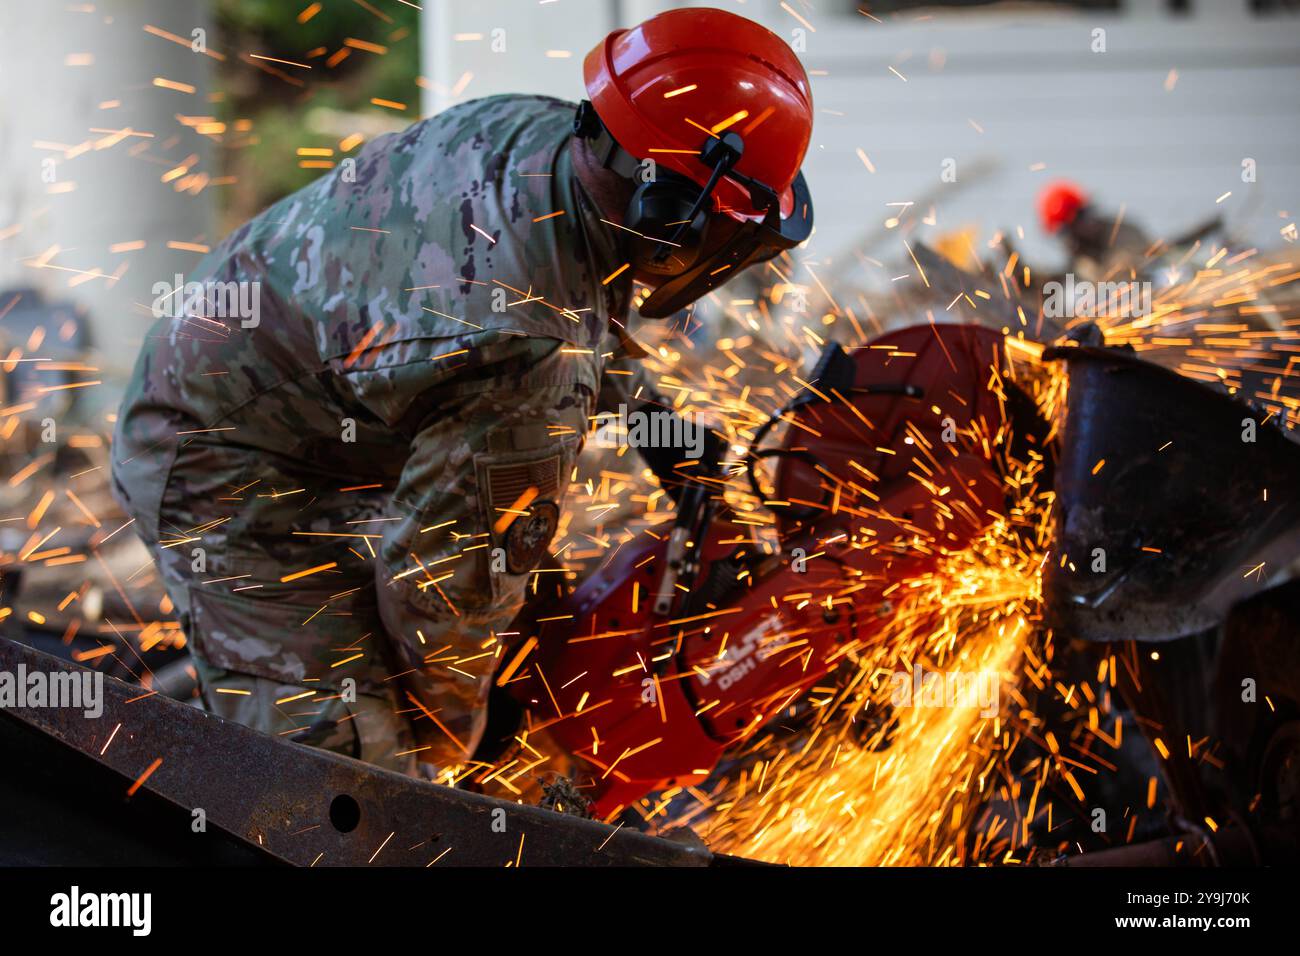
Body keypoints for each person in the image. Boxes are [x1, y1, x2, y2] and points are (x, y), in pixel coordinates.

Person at [111, 6, 814, 779]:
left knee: (520, 618)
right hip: (224, 462)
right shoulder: (528, 358)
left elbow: (572, 290)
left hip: (306, 395)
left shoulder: (555, 140)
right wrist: (467, 753)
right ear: (669, 217)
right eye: (724, 232)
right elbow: (443, 593)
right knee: (357, 782)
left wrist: (660, 432)